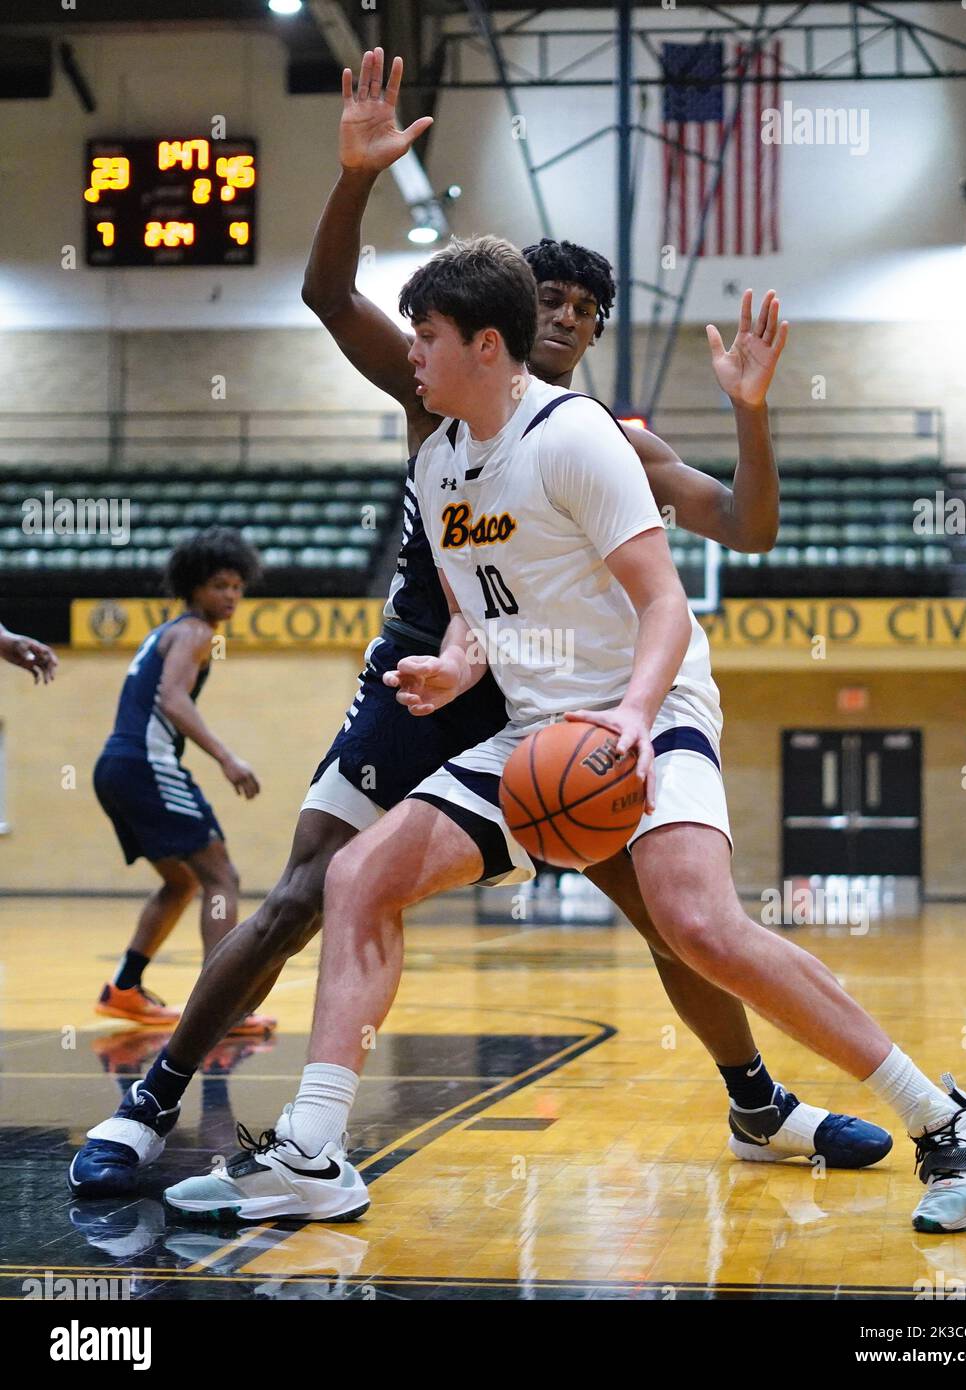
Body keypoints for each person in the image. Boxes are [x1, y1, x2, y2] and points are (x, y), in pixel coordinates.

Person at [68, 50, 885, 1200]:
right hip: (429, 659)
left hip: (550, 688)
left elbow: (744, 528)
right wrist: (353, 177)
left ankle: (757, 1100)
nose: (569, 320)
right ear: (502, 321)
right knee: (311, 885)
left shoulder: (607, 439)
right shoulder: (433, 386)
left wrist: (751, 417)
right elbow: (321, 296)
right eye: (550, 300)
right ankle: (155, 1108)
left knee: (670, 915)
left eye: (587, 310)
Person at [162, 232, 966, 1236]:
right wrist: (458, 665)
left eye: (425, 336)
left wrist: (634, 718)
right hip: (533, 728)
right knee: (356, 878)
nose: (411, 355)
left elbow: (665, 606)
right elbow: (485, 605)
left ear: (483, 345)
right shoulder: (438, 463)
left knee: (695, 925)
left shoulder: (577, 437)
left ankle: (946, 1118)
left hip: (648, 707)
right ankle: (310, 1152)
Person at [88, 526, 270, 1034]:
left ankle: (125, 987)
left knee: (182, 880)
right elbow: (172, 699)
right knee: (222, 878)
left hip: (117, 767)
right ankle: (220, 1008)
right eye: (219, 586)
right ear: (193, 587)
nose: (230, 596)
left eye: (237, 586)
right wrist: (227, 758)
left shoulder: (167, 632)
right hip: (145, 764)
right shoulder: (194, 632)